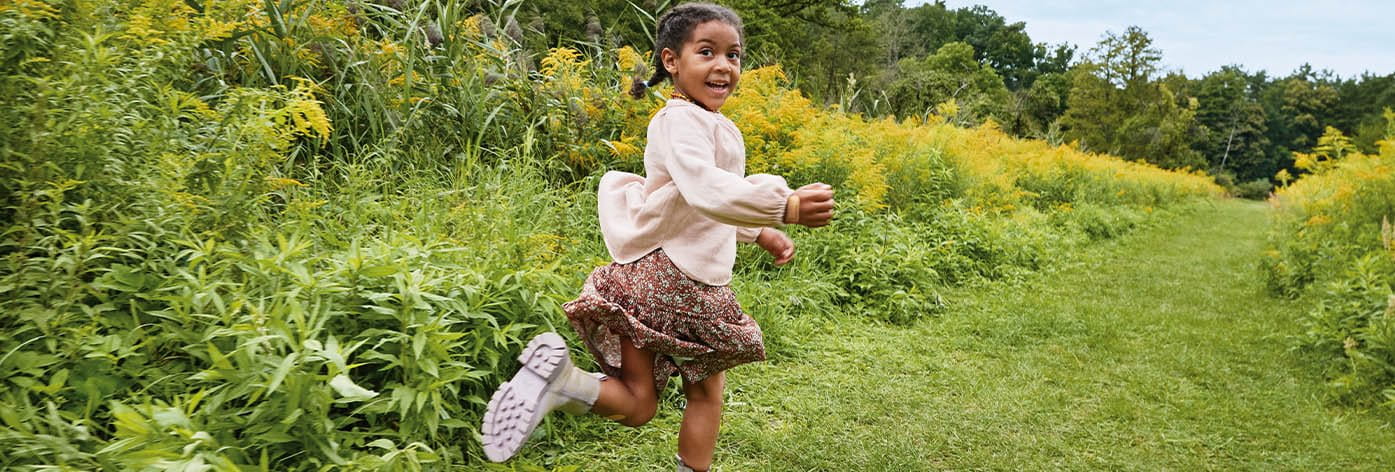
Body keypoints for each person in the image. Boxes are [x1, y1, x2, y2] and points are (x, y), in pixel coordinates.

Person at [480, 3, 835, 470]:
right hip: (686, 284)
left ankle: (562, 383)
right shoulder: (680, 120)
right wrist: (783, 207)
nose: (723, 65)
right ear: (671, 61)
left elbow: (700, 203)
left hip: (647, 279)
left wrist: (760, 231)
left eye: (733, 55)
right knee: (705, 395)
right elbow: (705, 188)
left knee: (638, 402)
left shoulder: (703, 123)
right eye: (706, 52)